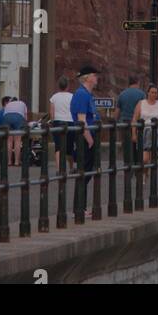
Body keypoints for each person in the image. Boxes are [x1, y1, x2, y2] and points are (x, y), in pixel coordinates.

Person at [69, 65, 100, 216]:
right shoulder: (82, 94)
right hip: (85, 137)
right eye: (94, 75)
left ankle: (81, 207)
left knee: (87, 172)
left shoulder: (88, 94)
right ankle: (79, 208)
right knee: (84, 172)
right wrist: (89, 139)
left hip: (89, 136)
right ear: (87, 78)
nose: (96, 78)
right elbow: (82, 120)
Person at [132, 83, 158, 167]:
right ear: (148, 93)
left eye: (155, 93)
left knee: (151, 159)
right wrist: (134, 134)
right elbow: (134, 119)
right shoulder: (141, 103)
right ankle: (144, 176)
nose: (154, 94)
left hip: (155, 134)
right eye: (152, 92)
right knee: (145, 159)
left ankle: (147, 176)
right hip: (143, 133)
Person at [116, 74, 145, 165]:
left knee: (127, 147)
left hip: (124, 123)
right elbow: (144, 109)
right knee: (137, 146)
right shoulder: (141, 94)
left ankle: (127, 165)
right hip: (137, 124)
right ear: (138, 82)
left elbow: (117, 111)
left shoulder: (122, 94)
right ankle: (137, 165)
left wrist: (115, 123)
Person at [49, 76, 74, 166]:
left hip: (58, 122)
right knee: (69, 146)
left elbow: (52, 112)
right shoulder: (72, 96)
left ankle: (59, 169)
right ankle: (71, 167)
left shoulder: (54, 97)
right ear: (68, 86)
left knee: (58, 146)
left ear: (58, 86)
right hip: (70, 122)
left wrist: (52, 121)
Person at [2, 96, 28, 165]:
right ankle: (16, 161)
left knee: (9, 141)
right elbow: (25, 117)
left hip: (7, 117)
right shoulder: (22, 103)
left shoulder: (8, 104)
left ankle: (9, 161)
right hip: (18, 117)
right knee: (17, 140)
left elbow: (4, 114)